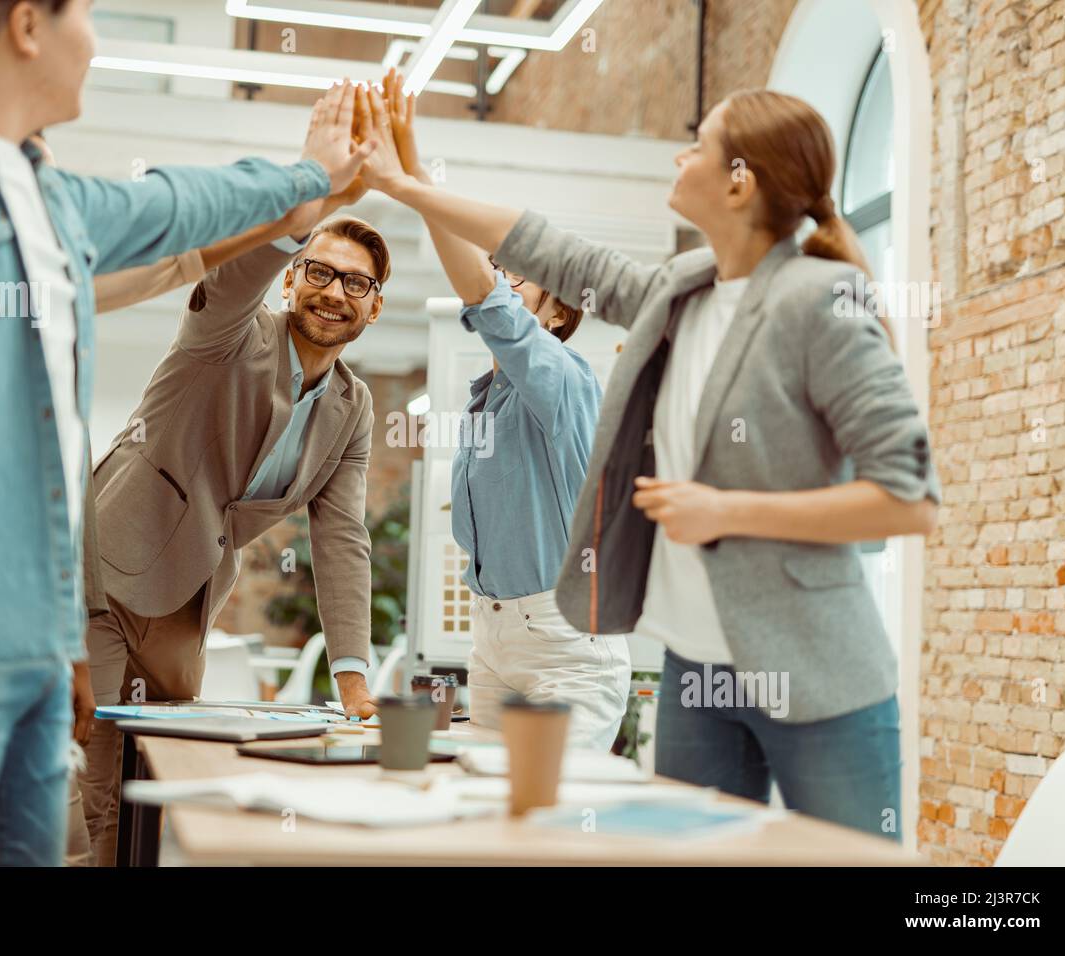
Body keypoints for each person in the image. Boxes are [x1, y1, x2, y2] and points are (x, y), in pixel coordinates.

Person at [0, 0, 369, 866]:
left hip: (32, 661)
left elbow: (176, 204)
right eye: (88, 15)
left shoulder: (47, 201)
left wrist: (304, 180)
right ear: (27, 25)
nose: (94, 42)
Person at [356, 84, 939, 837]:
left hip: (812, 665)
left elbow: (909, 498)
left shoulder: (821, 299)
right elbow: (540, 245)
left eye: (699, 145)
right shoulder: (679, 293)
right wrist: (409, 186)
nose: (679, 154)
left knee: (852, 863)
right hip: (697, 669)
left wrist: (724, 510)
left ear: (740, 181)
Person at [72, 204, 390, 865]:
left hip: (187, 604)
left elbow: (342, 539)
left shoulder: (351, 407)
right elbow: (228, 284)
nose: (335, 292)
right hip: (103, 582)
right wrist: (301, 210)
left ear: (375, 306)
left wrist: (353, 679)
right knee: (83, 783)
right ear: (289, 278)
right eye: (319, 271)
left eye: (356, 282)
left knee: (146, 795)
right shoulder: (232, 335)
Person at [368, 73, 628, 749]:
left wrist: (415, 182)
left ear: (558, 312)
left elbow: (489, 304)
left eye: (518, 275)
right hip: (494, 641)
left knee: (547, 811)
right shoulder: (486, 401)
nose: (502, 280)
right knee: (485, 805)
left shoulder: (562, 377)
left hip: (565, 646)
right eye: (500, 267)